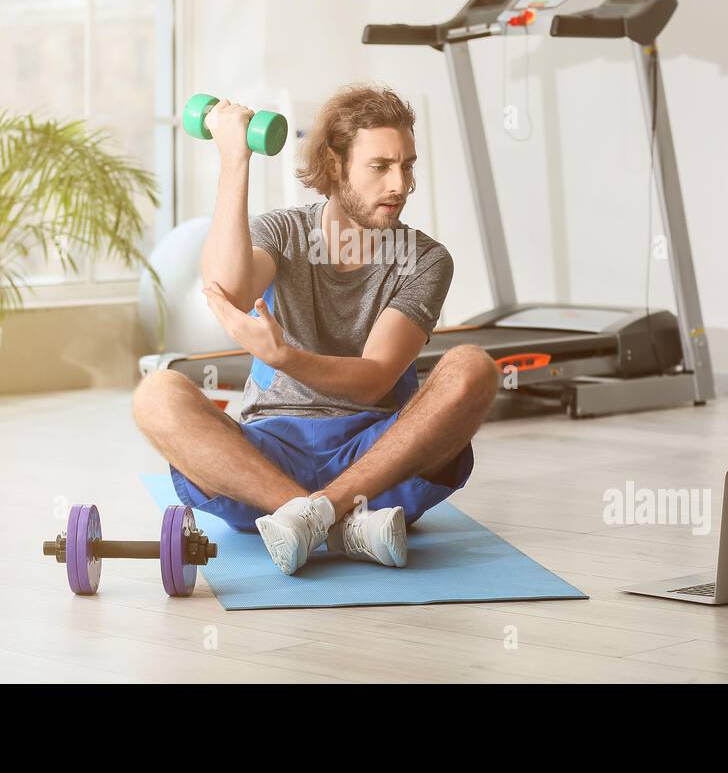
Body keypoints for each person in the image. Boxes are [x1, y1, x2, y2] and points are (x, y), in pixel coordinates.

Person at [133, 84, 498, 575]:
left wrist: (286, 358)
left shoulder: (426, 259)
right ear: (334, 165)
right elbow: (228, 288)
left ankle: (313, 515)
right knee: (155, 394)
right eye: (380, 166)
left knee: (473, 368)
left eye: (407, 165)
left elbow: (374, 377)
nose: (400, 184)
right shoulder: (283, 232)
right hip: (269, 457)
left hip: (377, 457)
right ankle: (336, 522)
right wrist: (234, 160)